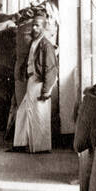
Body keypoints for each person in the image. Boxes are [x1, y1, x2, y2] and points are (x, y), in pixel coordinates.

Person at [11, 14, 58, 153]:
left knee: (39, 115)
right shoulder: (34, 42)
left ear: (44, 27)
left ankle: (40, 148)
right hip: (32, 80)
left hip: (40, 82)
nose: (34, 28)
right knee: (23, 112)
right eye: (33, 25)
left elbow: (51, 68)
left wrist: (46, 90)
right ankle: (21, 144)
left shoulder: (46, 45)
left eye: (38, 25)